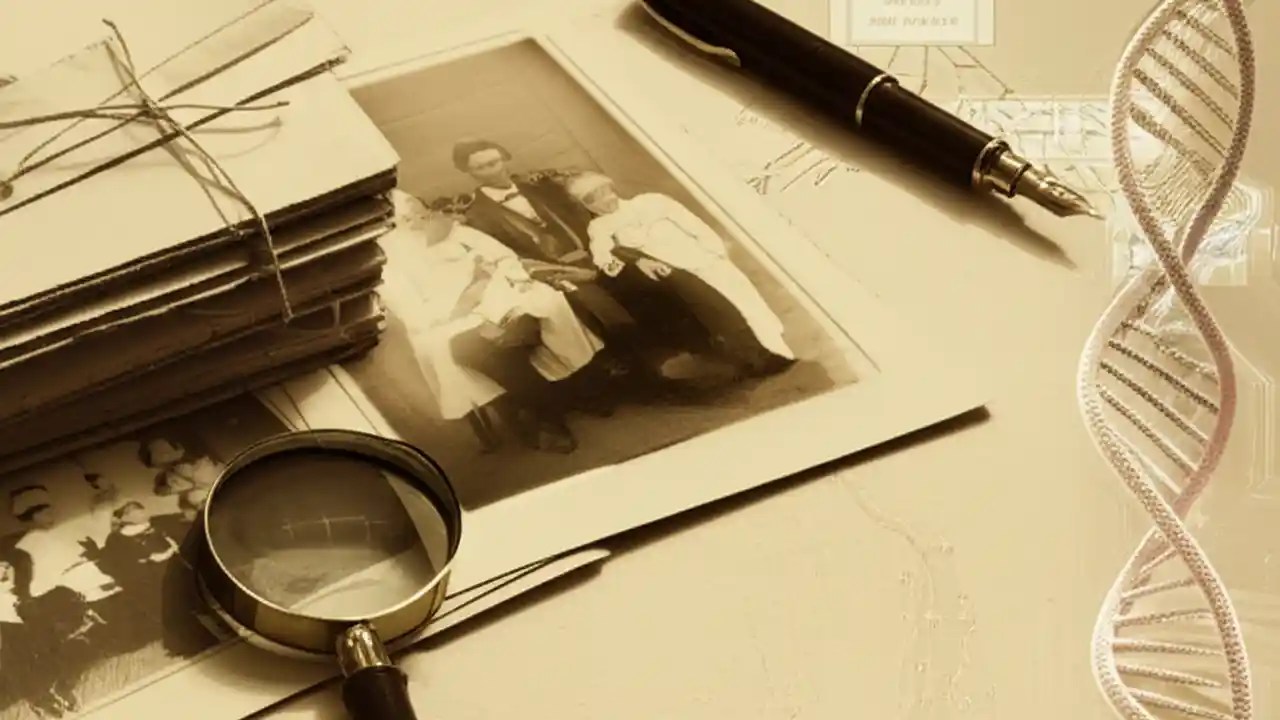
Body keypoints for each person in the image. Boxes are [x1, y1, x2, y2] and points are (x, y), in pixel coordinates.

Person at [451, 139, 705, 378]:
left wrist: (603, 254)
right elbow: (510, 260)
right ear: (468, 172)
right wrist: (560, 274)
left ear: (505, 159)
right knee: (601, 306)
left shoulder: (541, 187)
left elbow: (585, 218)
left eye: (495, 162)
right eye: (481, 168)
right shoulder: (478, 216)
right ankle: (660, 370)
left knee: (649, 277)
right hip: (554, 275)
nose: (493, 171)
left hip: (594, 253)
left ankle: (697, 348)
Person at [384, 190, 611, 453]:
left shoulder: (455, 232)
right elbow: (413, 312)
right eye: (406, 218)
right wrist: (467, 297)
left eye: (419, 212)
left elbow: (505, 258)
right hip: (450, 318)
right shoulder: (389, 264)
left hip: (501, 295)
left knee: (539, 312)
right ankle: (547, 412)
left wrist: (489, 282)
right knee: (473, 347)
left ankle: (563, 393)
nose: (417, 221)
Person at [567, 172, 797, 377]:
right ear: (586, 206)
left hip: (706, 259)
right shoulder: (599, 228)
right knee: (726, 312)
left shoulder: (652, 202)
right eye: (591, 200)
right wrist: (638, 262)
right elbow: (603, 259)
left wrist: (716, 253)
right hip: (679, 274)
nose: (602, 202)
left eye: (602, 192)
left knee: (749, 304)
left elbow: (694, 225)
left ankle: (775, 352)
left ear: (610, 188)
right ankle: (765, 358)